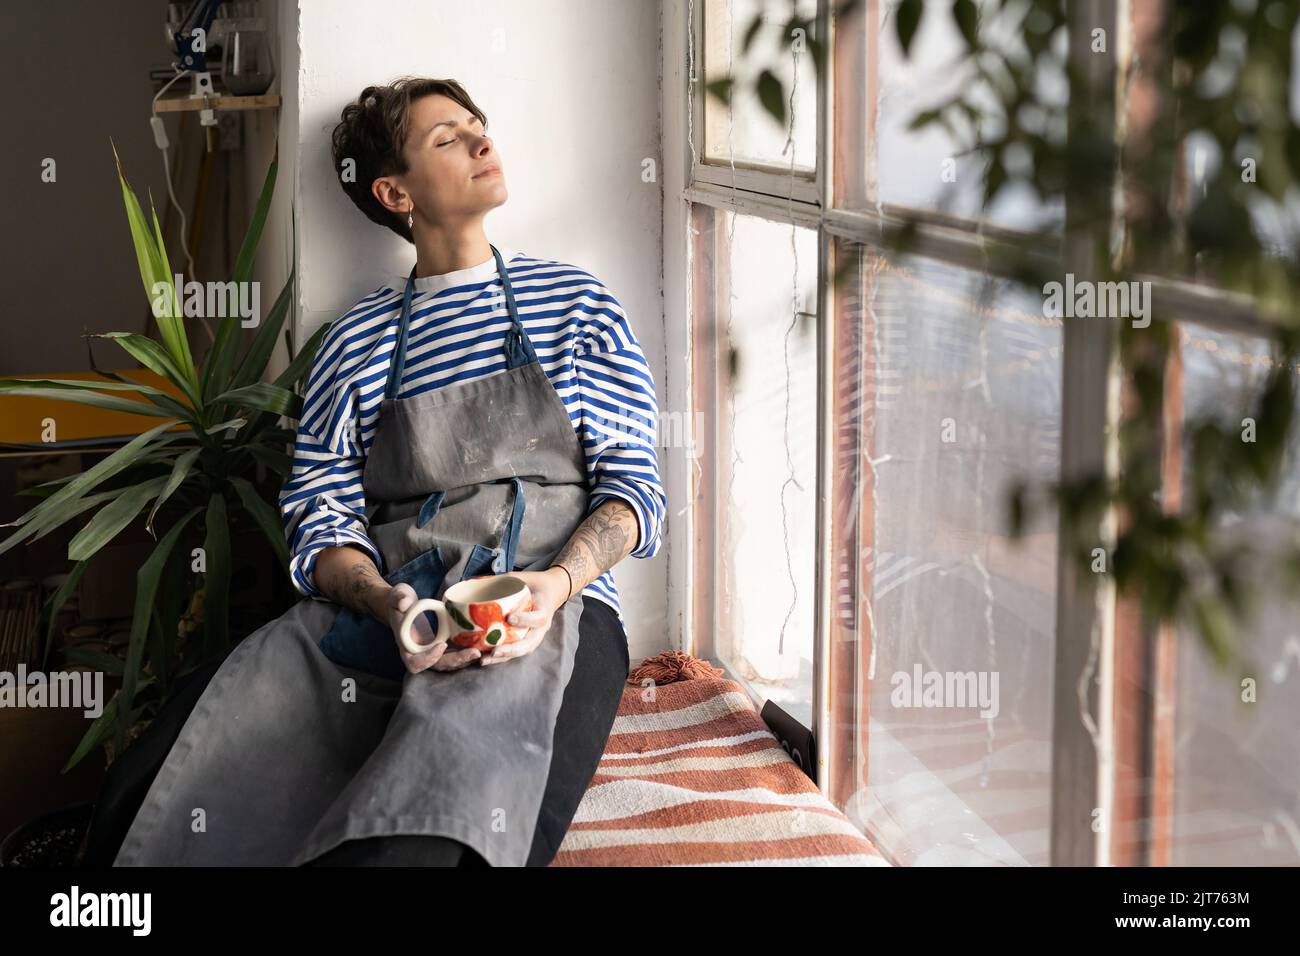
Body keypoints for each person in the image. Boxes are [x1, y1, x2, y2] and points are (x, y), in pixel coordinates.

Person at [89, 76, 665, 867]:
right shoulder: (355, 342)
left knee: (426, 835)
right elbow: (319, 517)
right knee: (152, 794)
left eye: (478, 125)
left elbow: (635, 492)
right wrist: (384, 602)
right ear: (395, 192)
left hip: (542, 621)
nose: (481, 142)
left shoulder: (575, 304)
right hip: (388, 615)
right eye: (447, 139)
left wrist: (553, 588)